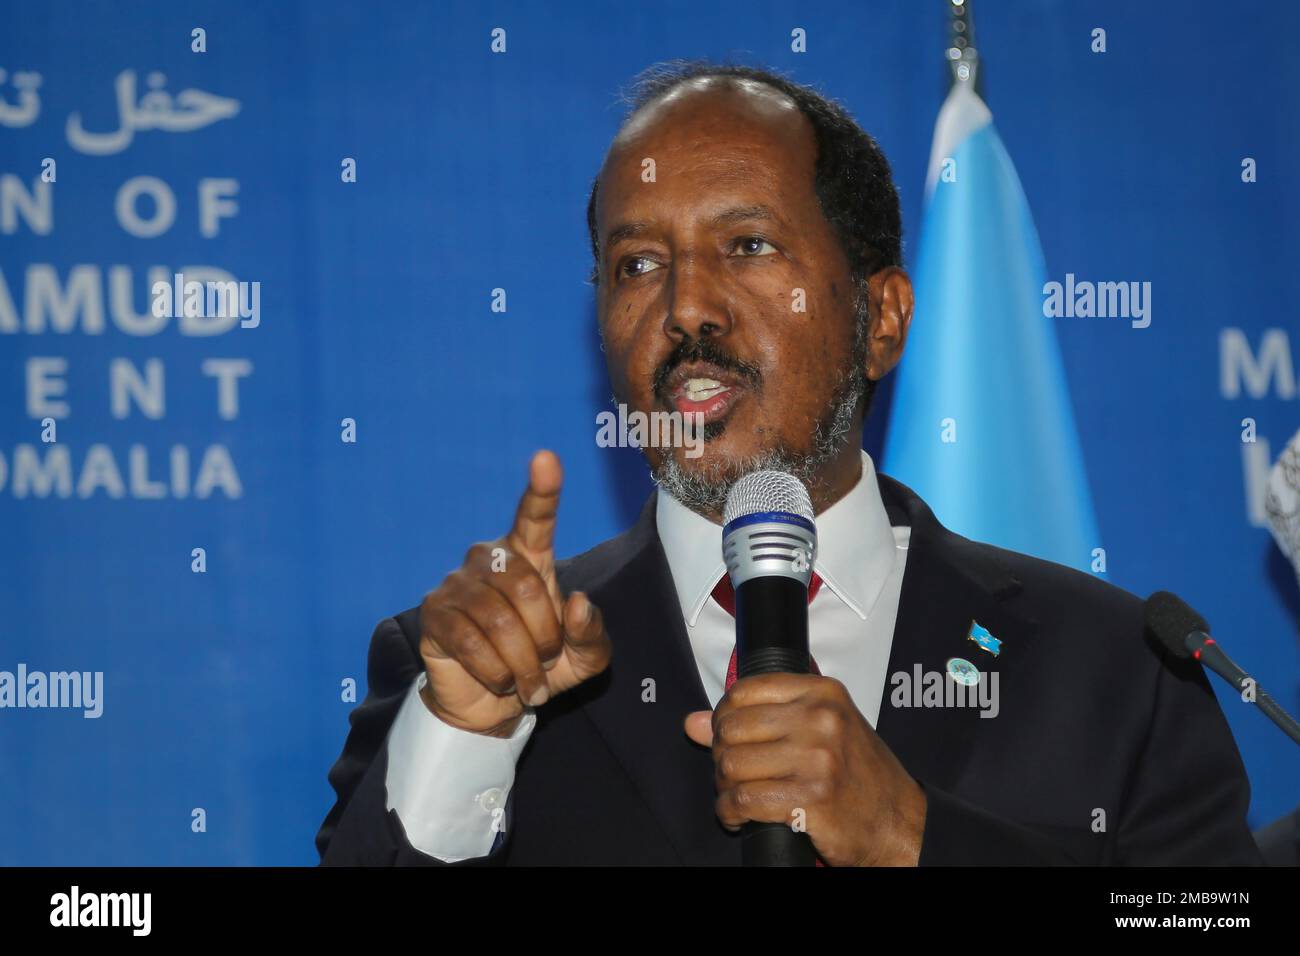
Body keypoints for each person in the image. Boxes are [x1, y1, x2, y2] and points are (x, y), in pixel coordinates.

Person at [316, 61, 1261, 866]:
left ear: (880, 320)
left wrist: (911, 838)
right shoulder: (473, 673)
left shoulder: (1113, 670)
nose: (687, 309)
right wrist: (465, 740)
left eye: (748, 245)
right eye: (637, 264)